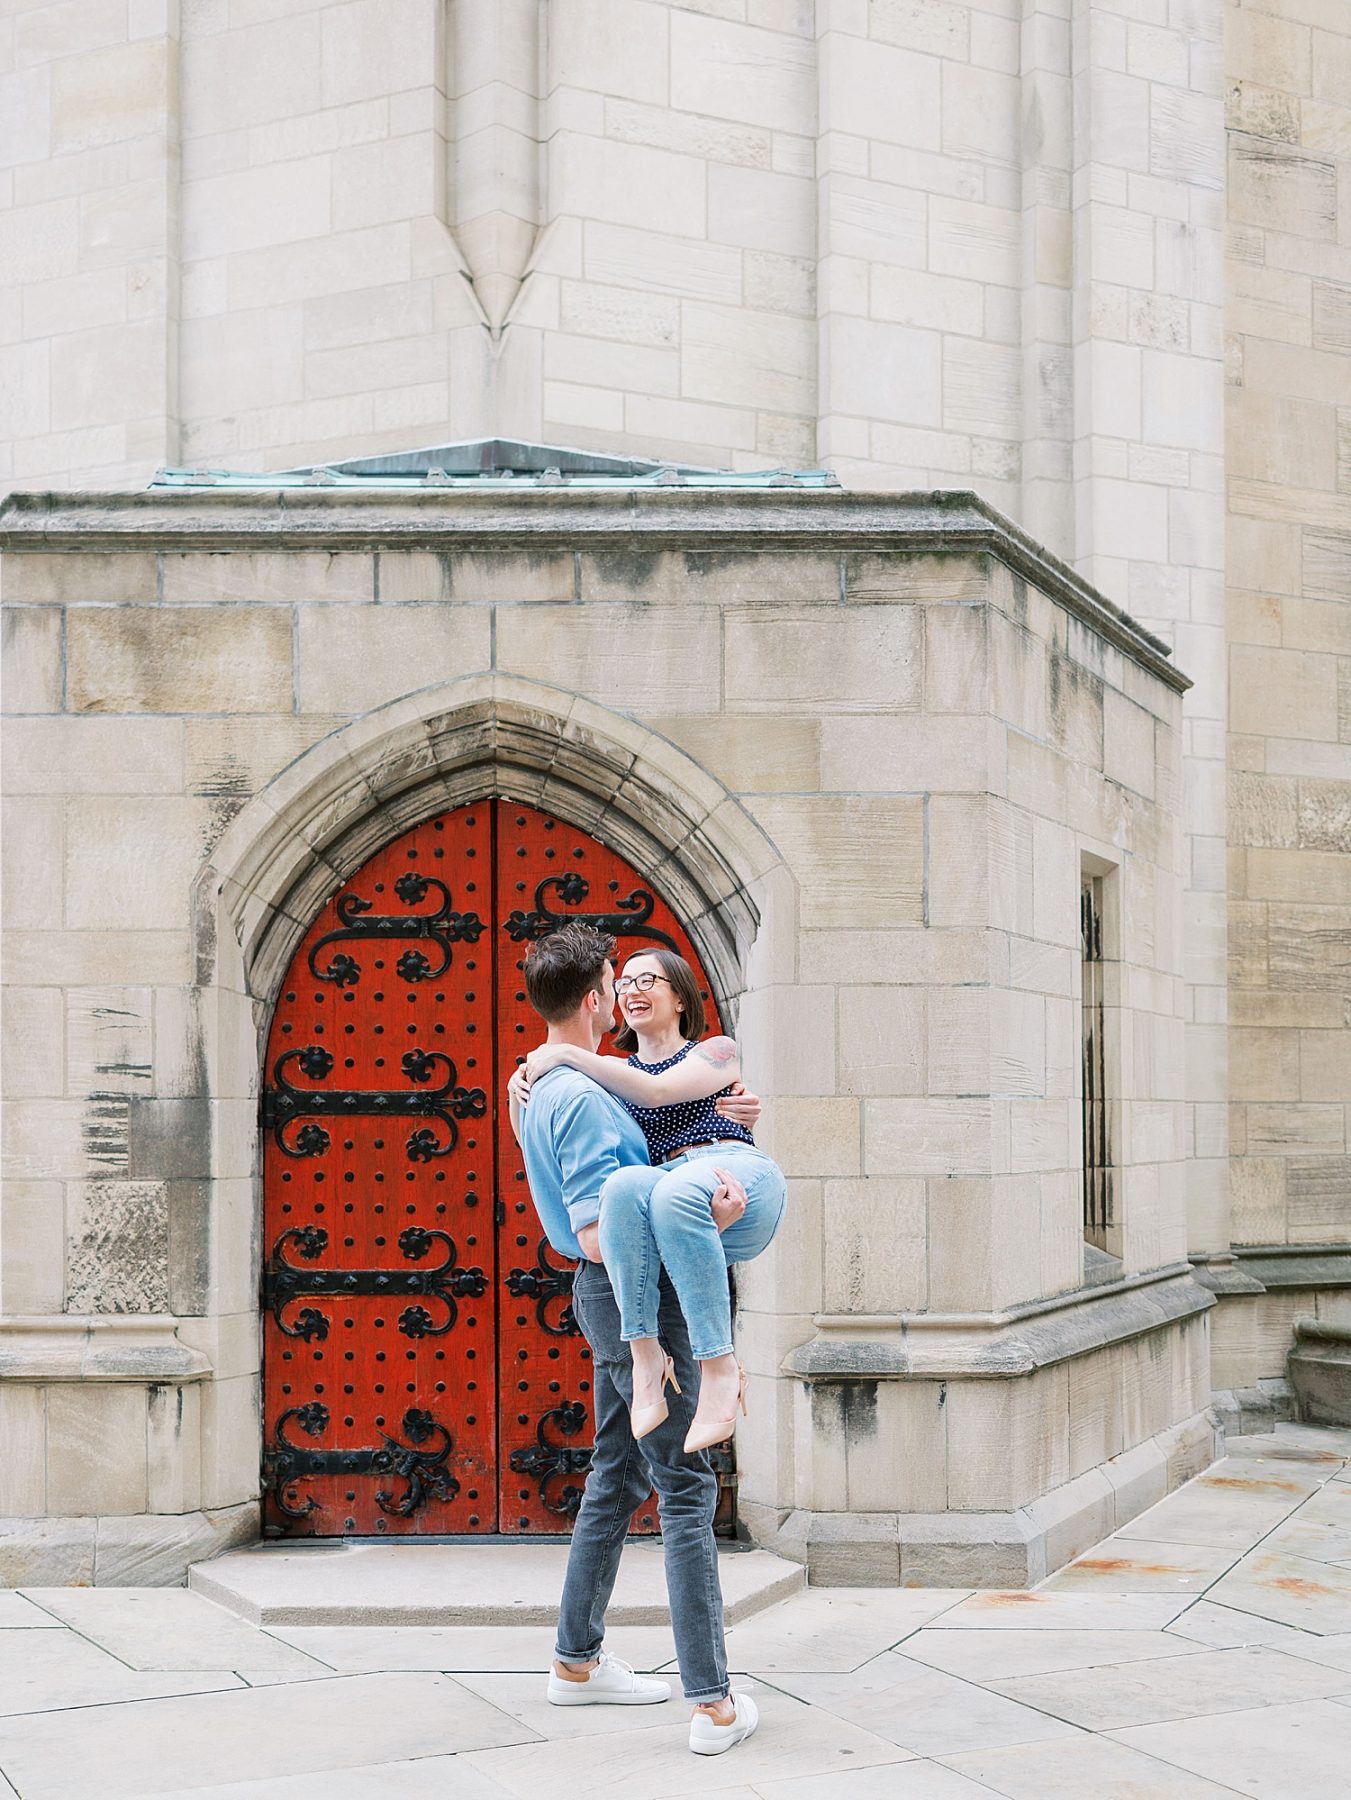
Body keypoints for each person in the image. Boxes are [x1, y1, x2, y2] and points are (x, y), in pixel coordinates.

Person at [514, 922, 760, 1756]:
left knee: (616, 1473)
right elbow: (594, 1231)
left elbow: (670, 1115)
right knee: (686, 1492)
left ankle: (574, 1662)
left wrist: (728, 1124)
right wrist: (707, 1215)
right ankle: (713, 1703)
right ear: (594, 1000)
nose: (628, 991)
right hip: (641, 1296)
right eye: (618, 980)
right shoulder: (582, 1096)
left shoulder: (549, 1086)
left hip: (621, 1297)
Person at [518, 946, 787, 1456]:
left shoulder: (716, 1051)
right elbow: (549, 1142)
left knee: (672, 1191)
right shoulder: (611, 1078)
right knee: (624, 1187)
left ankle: (720, 1366)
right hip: (675, 1202)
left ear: (681, 997)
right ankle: (645, 1353)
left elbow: (658, 1092)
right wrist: (522, 1088)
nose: (632, 991)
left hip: (729, 1172)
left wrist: (568, 1054)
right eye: (625, 983)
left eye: (649, 981)